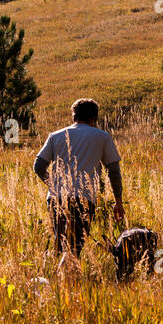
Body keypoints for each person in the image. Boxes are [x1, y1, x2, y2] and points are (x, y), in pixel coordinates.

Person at [33, 98, 124, 275]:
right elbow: (113, 171)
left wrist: (54, 185)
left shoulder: (56, 136)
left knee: (61, 246)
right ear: (94, 118)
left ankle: (58, 285)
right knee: (74, 248)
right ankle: (64, 286)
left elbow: (38, 166)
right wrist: (118, 202)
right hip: (83, 198)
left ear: (74, 116)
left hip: (56, 199)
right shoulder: (102, 137)